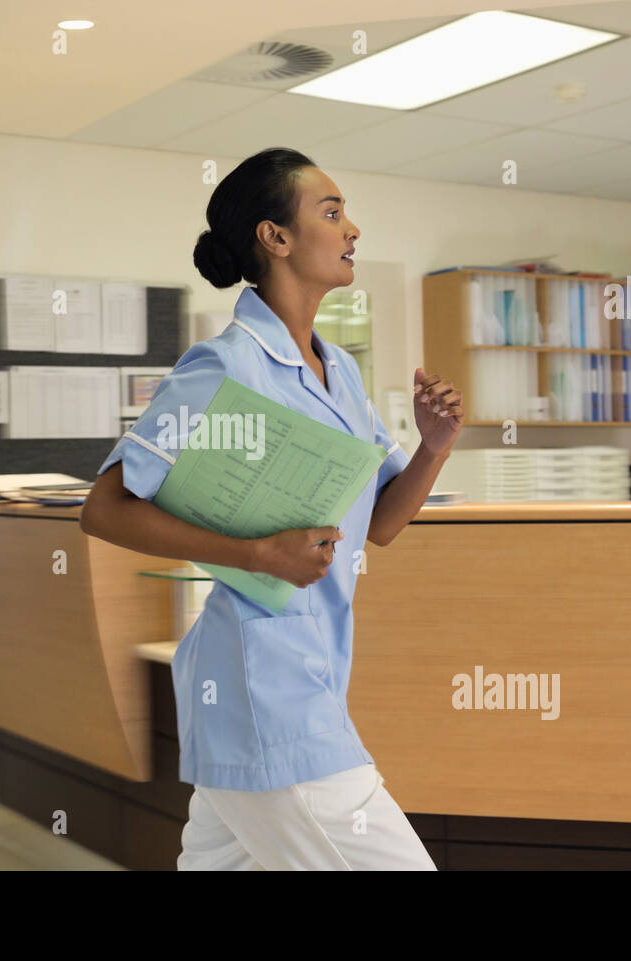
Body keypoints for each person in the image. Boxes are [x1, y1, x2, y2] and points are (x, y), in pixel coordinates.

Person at [79, 147, 463, 870]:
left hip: (292, 690)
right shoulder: (221, 366)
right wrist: (258, 553)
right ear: (275, 237)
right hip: (269, 697)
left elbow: (378, 523)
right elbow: (104, 508)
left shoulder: (339, 367)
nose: (352, 228)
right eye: (331, 211)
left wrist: (432, 447)